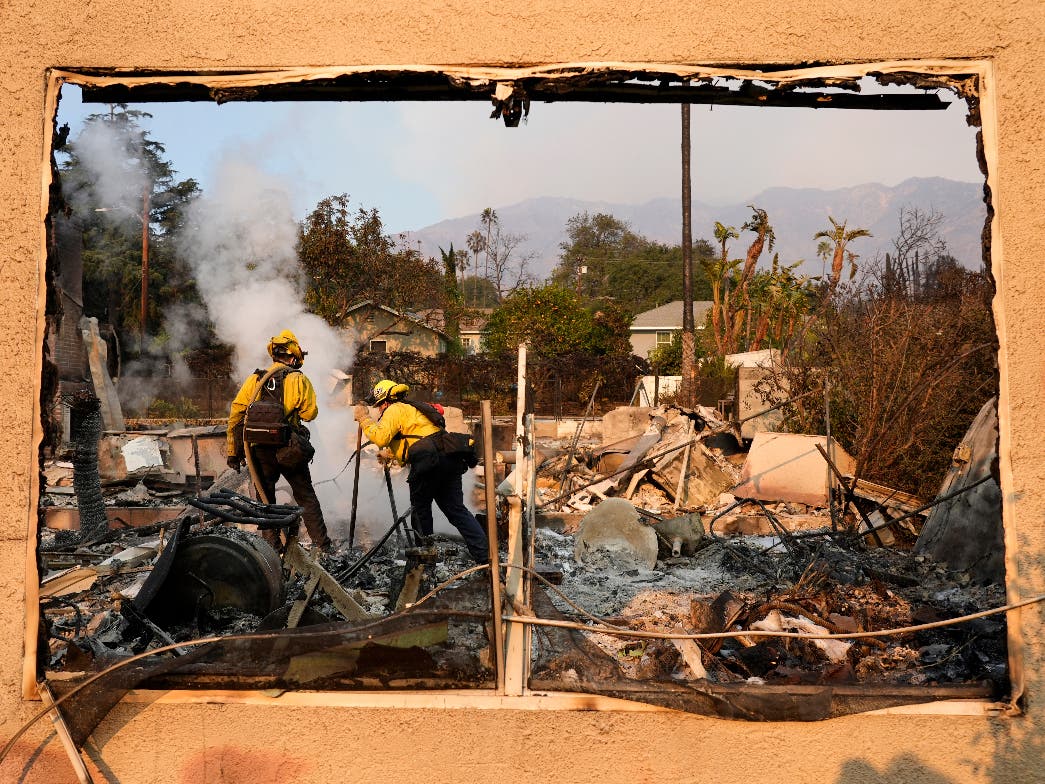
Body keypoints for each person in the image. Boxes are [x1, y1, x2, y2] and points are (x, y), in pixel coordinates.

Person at [354, 379, 488, 564]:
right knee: (456, 511)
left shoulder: (394, 409)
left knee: (420, 511)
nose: (378, 410)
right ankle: (485, 557)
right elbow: (416, 437)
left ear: (385, 401)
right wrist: (391, 454)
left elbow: (380, 436)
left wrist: (364, 419)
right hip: (448, 459)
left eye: (378, 405)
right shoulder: (415, 408)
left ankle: (424, 562)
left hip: (428, 461)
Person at [227, 329, 331, 552]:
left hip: (258, 451)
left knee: (265, 502)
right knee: (305, 496)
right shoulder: (297, 378)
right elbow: (309, 414)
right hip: (288, 448)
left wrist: (233, 453)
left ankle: (272, 550)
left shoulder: (255, 379)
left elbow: (236, 413)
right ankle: (322, 548)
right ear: (294, 357)